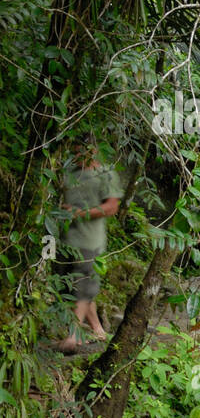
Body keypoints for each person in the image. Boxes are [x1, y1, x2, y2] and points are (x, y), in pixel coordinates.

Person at [55, 142, 123, 353]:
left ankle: (73, 337)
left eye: (81, 150)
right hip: (64, 241)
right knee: (68, 288)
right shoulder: (66, 172)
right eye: (74, 150)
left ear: (93, 149)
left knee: (83, 287)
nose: (76, 154)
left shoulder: (106, 174)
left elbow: (112, 207)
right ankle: (97, 330)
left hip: (89, 242)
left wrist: (79, 213)